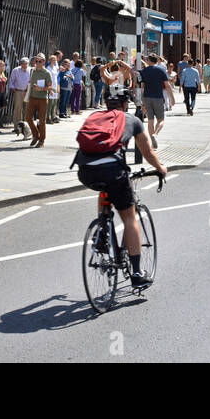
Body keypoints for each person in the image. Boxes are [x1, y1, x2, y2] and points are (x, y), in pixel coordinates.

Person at [74, 83, 168, 289]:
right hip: (112, 171)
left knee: (104, 189)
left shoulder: (95, 117)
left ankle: (102, 230)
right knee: (129, 217)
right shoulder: (132, 120)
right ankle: (136, 272)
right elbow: (148, 152)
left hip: (85, 171)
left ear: (107, 103)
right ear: (126, 104)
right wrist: (160, 168)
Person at [25, 55, 51, 148]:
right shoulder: (32, 71)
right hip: (32, 97)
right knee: (28, 117)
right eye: (36, 61)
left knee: (42, 120)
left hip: (42, 99)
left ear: (44, 62)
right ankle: (36, 135)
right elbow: (30, 82)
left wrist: (41, 88)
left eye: (40, 61)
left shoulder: (46, 73)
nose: (37, 63)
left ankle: (41, 141)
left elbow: (50, 87)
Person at [8, 57, 31, 138]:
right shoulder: (16, 70)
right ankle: (17, 127)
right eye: (23, 64)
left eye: (26, 64)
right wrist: (13, 88)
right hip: (18, 91)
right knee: (18, 109)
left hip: (27, 91)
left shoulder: (30, 70)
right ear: (20, 64)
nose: (25, 65)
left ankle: (26, 127)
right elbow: (11, 81)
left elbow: (31, 81)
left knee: (27, 109)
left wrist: (28, 90)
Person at [46, 55, 61, 125]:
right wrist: (50, 88)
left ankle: (53, 116)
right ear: (50, 60)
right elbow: (48, 79)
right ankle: (47, 117)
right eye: (53, 60)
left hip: (55, 86)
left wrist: (58, 87)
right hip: (51, 87)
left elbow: (56, 78)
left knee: (54, 102)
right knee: (50, 103)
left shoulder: (55, 68)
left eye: (55, 60)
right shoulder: (48, 68)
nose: (54, 61)